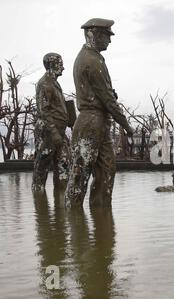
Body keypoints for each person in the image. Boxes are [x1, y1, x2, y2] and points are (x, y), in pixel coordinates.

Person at [65, 18, 134, 208]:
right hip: (90, 121)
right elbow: (108, 100)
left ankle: (102, 220)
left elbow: (103, 94)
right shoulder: (91, 61)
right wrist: (126, 125)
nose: (109, 41)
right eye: (106, 36)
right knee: (80, 175)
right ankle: (74, 226)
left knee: (107, 170)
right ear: (93, 34)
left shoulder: (92, 58)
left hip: (99, 121)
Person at [32, 53, 70, 191]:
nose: (63, 67)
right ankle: (39, 202)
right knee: (42, 165)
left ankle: (61, 205)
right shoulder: (45, 83)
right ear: (51, 65)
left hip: (59, 131)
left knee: (64, 163)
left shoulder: (54, 83)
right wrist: (54, 133)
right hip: (48, 131)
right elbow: (44, 110)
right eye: (60, 64)